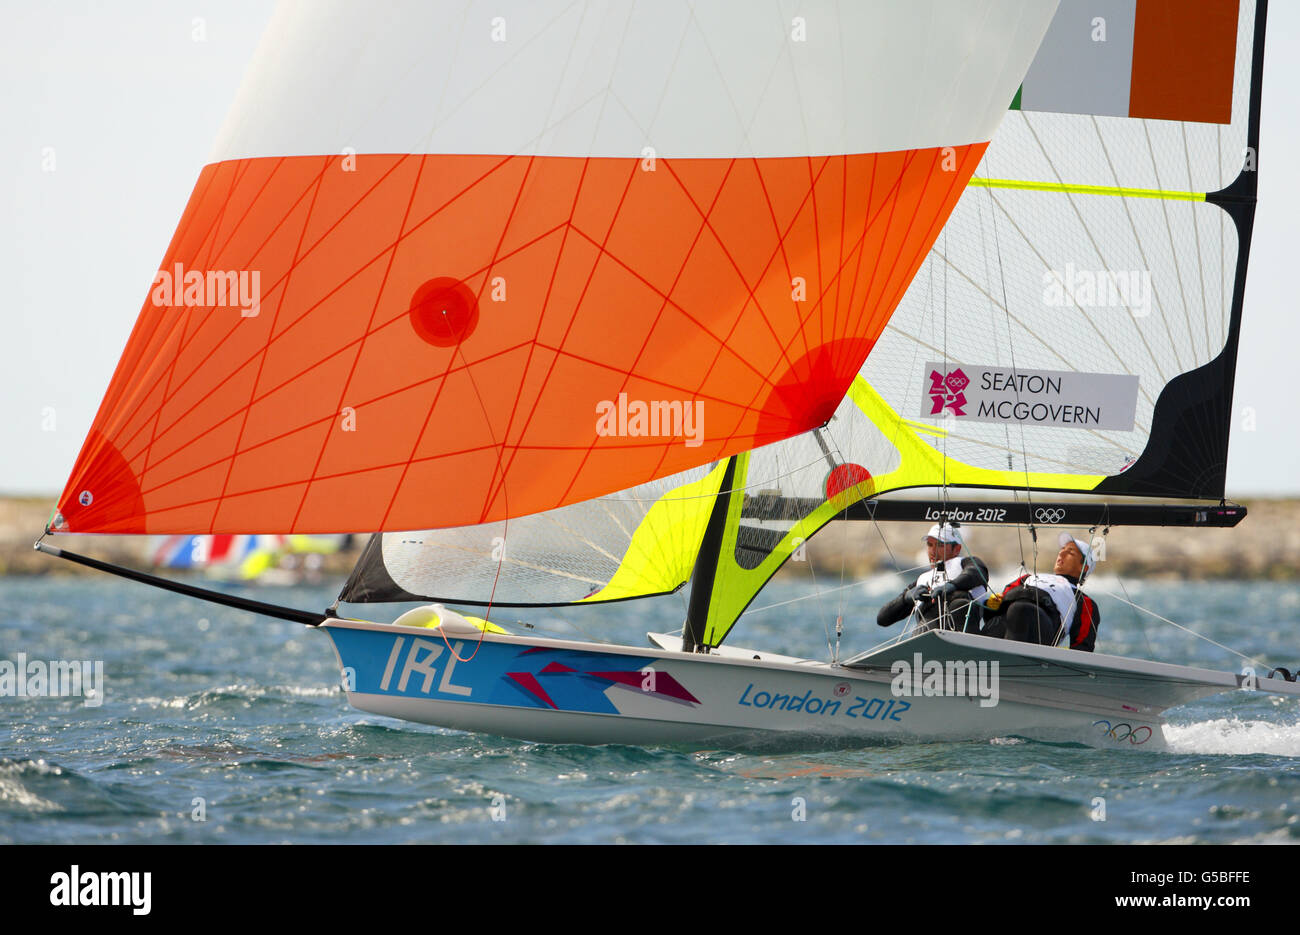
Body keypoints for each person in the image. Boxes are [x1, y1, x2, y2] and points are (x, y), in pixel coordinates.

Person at [979, 533, 1099, 651]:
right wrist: (990, 605)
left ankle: (1011, 660)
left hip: (1040, 629)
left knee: (1019, 609)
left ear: (1083, 567)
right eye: (1062, 549)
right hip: (1008, 619)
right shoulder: (1026, 578)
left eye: (1070, 552)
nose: (1061, 553)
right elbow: (996, 606)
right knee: (971, 605)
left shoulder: (1083, 601)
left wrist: (1062, 655)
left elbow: (1083, 646)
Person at [877, 522, 991, 634]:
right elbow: (882, 619)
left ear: (956, 548)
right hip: (929, 634)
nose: (933, 551)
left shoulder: (967, 563)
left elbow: (976, 573)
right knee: (925, 625)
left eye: (940, 545)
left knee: (959, 605)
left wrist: (952, 586)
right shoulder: (923, 579)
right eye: (930, 545)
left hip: (963, 631)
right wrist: (905, 598)